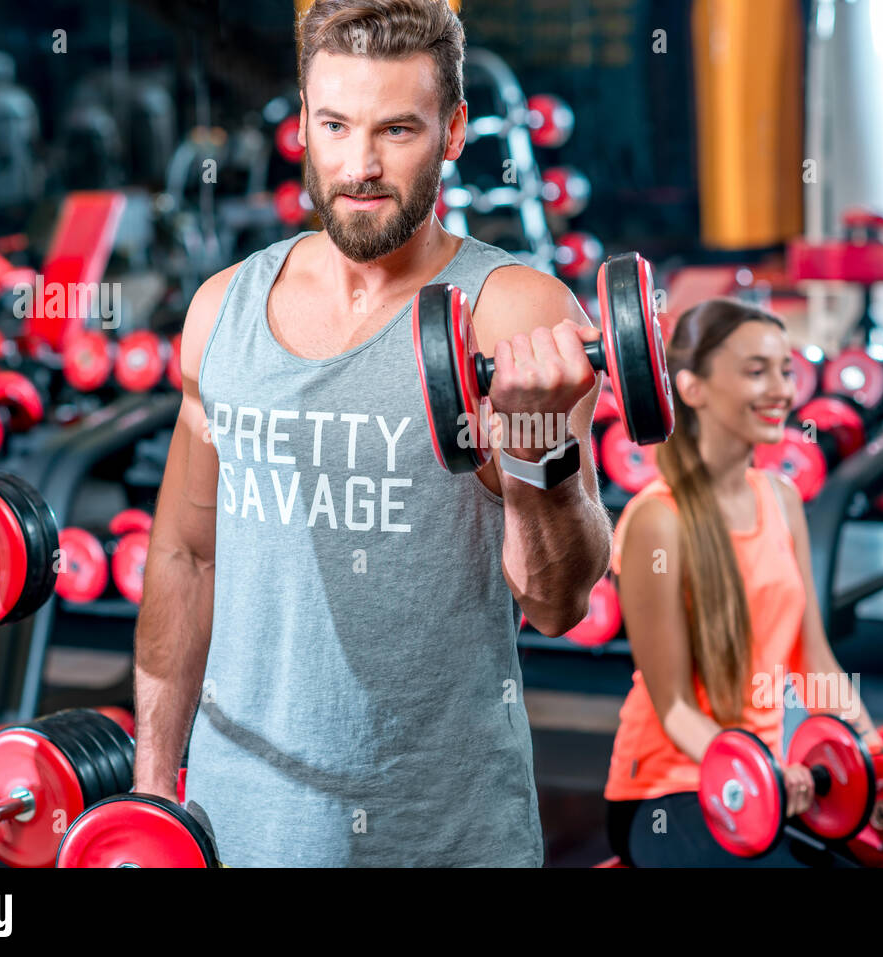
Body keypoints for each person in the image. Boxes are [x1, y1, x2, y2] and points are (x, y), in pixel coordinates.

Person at [132, 0, 613, 866]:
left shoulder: (515, 315)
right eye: (335, 125)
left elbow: (556, 599)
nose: (359, 166)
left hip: (442, 833)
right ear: (304, 128)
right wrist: (153, 783)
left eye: (397, 130)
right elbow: (186, 553)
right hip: (235, 825)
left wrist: (541, 445)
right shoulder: (222, 311)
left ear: (455, 130)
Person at [603, 298, 883, 867]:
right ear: (694, 387)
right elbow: (674, 705)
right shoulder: (657, 519)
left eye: (785, 369)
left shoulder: (780, 498)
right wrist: (766, 774)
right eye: (756, 371)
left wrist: (878, 764)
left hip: (776, 777)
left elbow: (814, 661)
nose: (781, 389)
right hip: (670, 787)